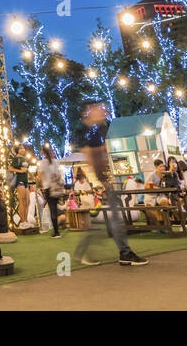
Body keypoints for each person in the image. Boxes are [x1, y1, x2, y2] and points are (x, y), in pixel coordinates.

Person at [73, 100, 147, 267]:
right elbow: (91, 156)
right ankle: (125, 253)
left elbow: (102, 152)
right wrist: (102, 180)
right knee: (115, 218)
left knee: (107, 220)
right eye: (98, 108)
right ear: (89, 111)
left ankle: (84, 251)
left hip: (106, 179)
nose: (103, 111)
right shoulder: (84, 130)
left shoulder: (99, 128)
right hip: (103, 180)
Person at [38, 144, 64, 237]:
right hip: (56, 188)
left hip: (48, 188)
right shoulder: (55, 162)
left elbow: (40, 175)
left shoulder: (43, 163)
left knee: (52, 209)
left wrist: (42, 184)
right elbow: (59, 175)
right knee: (55, 209)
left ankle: (56, 232)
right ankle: (57, 231)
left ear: (43, 153)